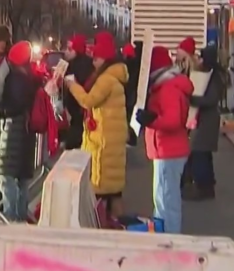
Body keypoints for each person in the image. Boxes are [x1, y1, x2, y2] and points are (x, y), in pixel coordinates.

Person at [64, 33, 129, 217]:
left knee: (101, 189)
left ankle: (103, 227)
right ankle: (119, 225)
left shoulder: (106, 80)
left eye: (97, 58)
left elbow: (88, 101)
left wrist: (72, 85)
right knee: (114, 191)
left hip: (103, 140)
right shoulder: (115, 77)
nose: (94, 62)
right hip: (111, 137)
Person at [136, 46, 193, 234]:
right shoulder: (169, 85)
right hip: (168, 149)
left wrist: (151, 119)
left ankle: (170, 240)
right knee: (165, 200)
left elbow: (174, 119)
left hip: (168, 151)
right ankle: (166, 235)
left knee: (166, 201)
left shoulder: (167, 88)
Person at [0, 40, 39, 221]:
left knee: (7, 175)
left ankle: (11, 217)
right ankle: (19, 215)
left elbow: (15, 104)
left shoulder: (15, 79)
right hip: (26, 133)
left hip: (15, 131)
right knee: (22, 178)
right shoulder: (31, 77)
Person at [183, 46, 224, 201]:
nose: (199, 61)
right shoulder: (211, 75)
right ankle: (207, 186)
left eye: (201, 58)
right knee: (204, 154)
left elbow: (211, 99)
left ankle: (203, 186)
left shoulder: (215, 77)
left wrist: (192, 99)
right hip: (206, 120)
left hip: (208, 120)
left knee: (199, 152)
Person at [61, 34, 94, 149]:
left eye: (69, 49)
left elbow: (77, 89)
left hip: (78, 110)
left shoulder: (77, 66)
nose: (66, 52)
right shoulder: (86, 64)